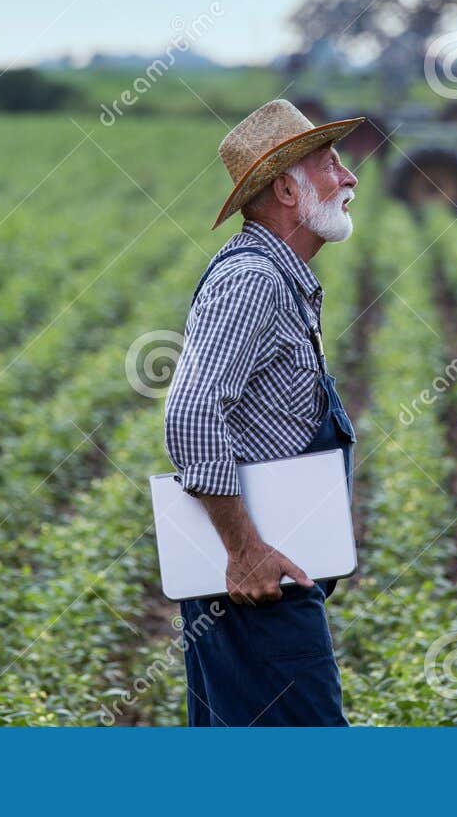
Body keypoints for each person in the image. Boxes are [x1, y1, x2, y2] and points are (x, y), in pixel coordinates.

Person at [163, 98, 364, 726]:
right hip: (256, 584)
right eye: (333, 165)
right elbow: (190, 413)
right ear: (285, 188)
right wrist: (244, 549)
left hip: (267, 580)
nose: (351, 178)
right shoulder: (253, 280)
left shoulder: (283, 278)